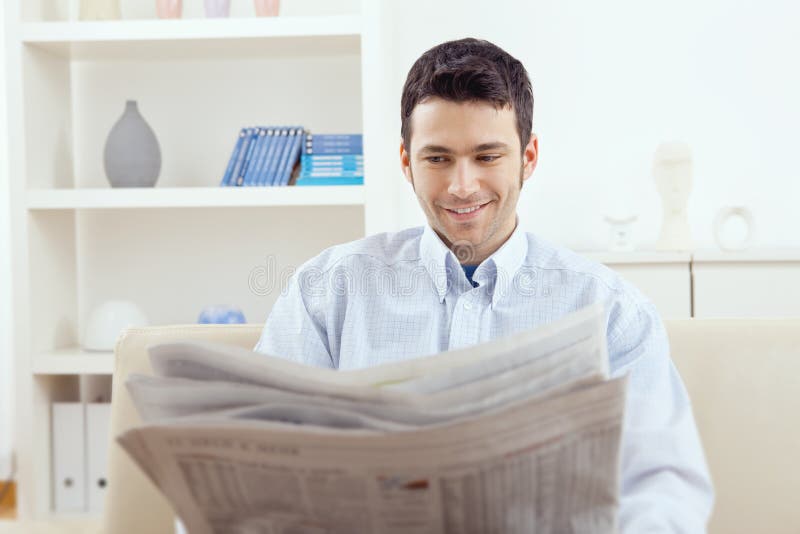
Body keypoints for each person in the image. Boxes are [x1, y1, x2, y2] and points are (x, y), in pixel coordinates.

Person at [256, 38, 714, 532]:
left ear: (528, 157)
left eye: (487, 156)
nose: (462, 186)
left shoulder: (611, 312)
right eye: (437, 159)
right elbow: (261, 454)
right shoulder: (328, 291)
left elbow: (662, 489)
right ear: (407, 162)